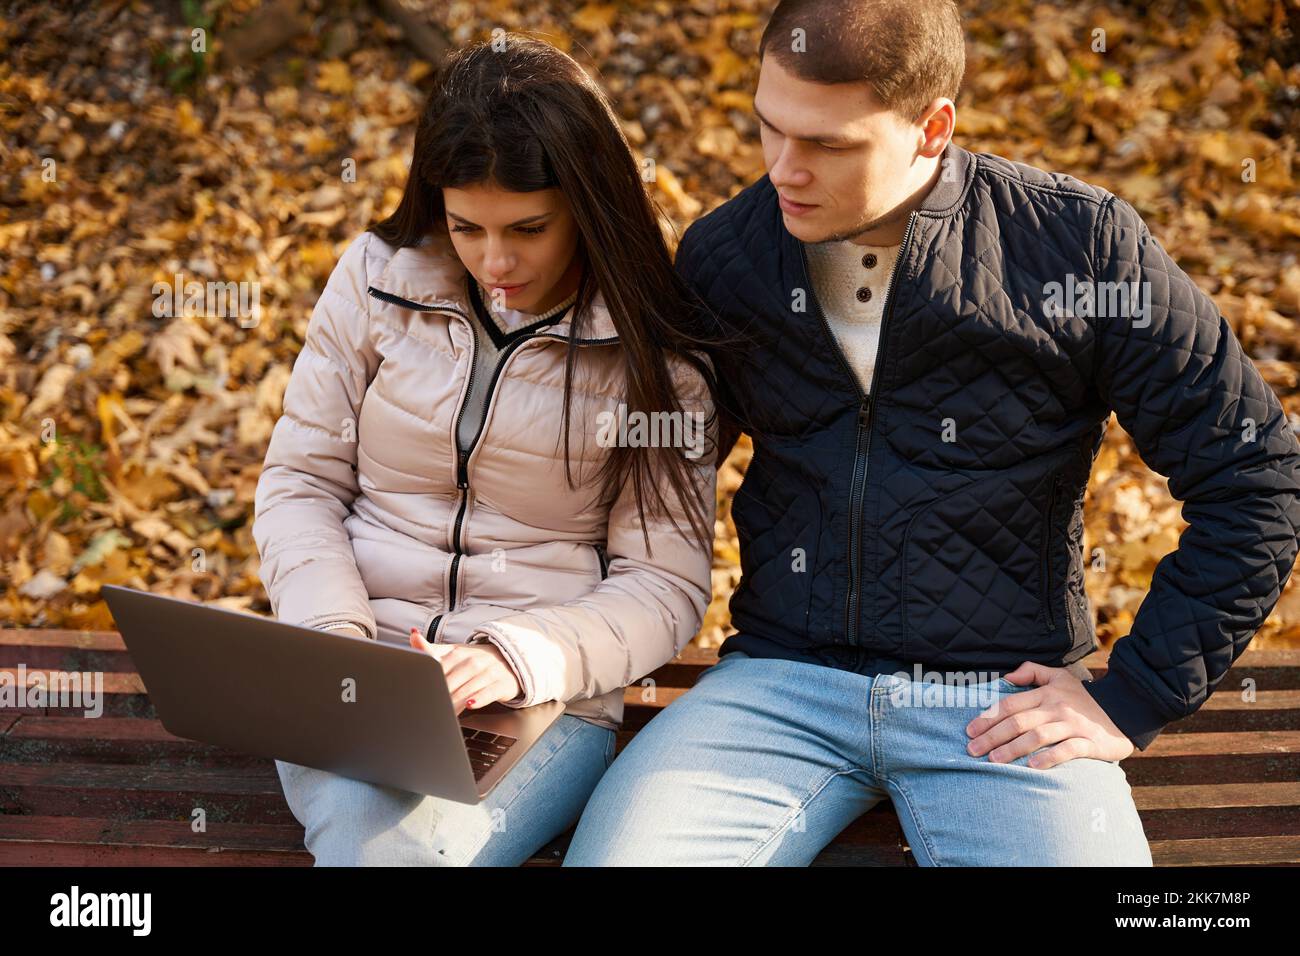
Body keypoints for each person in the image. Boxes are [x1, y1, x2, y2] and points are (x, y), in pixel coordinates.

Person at [564, 0, 1300, 866]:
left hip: (1001, 704)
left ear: (932, 128)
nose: (784, 171)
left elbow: (1255, 476)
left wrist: (1131, 695)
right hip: (775, 688)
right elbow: (650, 476)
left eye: (829, 145)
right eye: (770, 128)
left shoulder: (1076, 249)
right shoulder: (729, 256)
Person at [252, 34, 721, 866]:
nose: (496, 262)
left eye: (529, 229)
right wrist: (334, 631)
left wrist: (517, 658)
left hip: (542, 702)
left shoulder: (655, 357)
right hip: (355, 673)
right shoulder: (376, 278)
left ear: (588, 202)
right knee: (376, 847)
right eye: (466, 226)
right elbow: (302, 482)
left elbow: (665, 583)